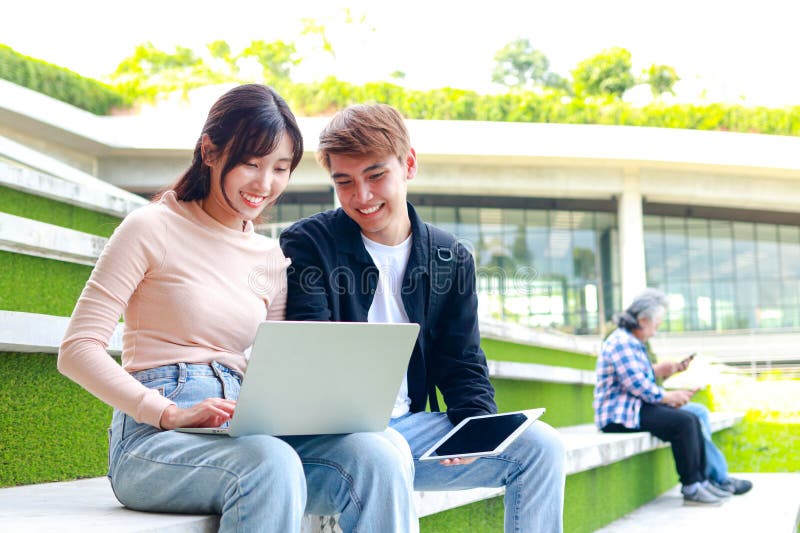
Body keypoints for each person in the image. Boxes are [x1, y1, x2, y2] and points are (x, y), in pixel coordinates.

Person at [58, 85, 416, 533]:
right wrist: (168, 413)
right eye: (251, 163)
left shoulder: (270, 257)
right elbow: (77, 349)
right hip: (155, 439)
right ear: (209, 151)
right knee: (270, 463)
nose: (264, 185)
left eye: (280, 168)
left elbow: (283, 368)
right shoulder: (149, 227)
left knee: (377, 457)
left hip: (243, 426)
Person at [279, 103, 566, 533]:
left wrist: (475, 426)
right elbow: (313, 348)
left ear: (408, 164)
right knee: (385, 448)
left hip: (409, 430)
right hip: (339, 442)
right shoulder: (309, 244)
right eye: (344, 182)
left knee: (542, 447)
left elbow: (463, 358)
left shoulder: (449, 256)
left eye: (376, 176)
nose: (362, 196)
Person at [594, 288, 735, 505]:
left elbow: (640, 377)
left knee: (692, 418)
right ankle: (692, 488)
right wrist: (669, 397)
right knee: (684, 422)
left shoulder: (632, 342)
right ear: (642, 320)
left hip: (634, 409)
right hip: (619, 415)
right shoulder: (621, 342)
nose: (654, 332)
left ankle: (701, 483)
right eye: (655, 326)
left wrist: (666, 373)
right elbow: (638, 385)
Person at [652, 357, 753, 495]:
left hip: (650, 399)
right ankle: (716, 479)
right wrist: (665, 393)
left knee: (699, 411)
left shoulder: (637, 344)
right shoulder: (623, 342)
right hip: (634, 407)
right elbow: (633, 382)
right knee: (688, 419)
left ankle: (710, 477)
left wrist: (670, 371)